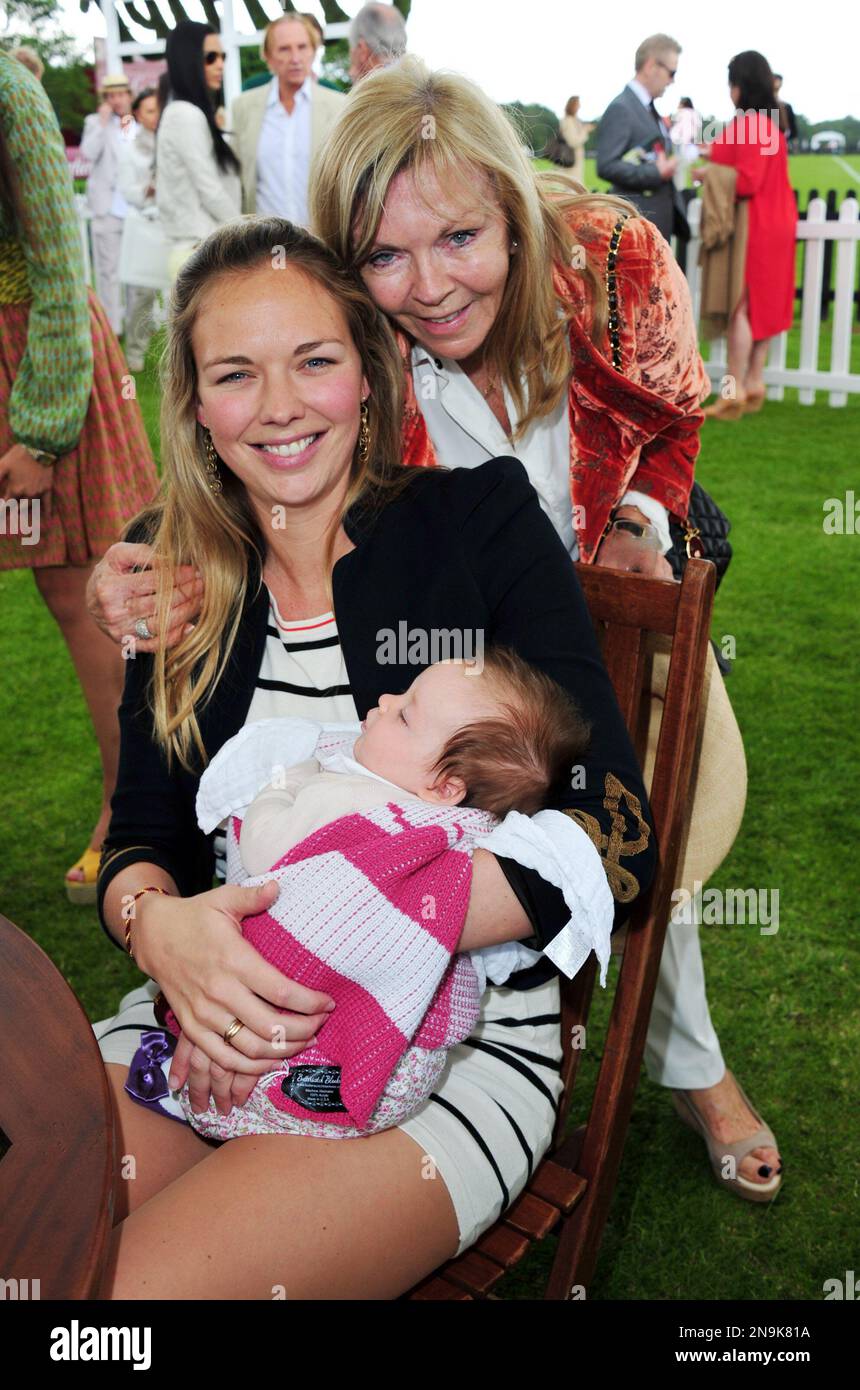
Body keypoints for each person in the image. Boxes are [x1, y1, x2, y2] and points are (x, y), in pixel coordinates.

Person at [88, 57, 783, 1200]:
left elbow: (610, 830)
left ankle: (695, 1070)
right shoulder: (331, 427)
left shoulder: (607, 268)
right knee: (54, 1206)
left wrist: (640, 520)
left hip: (579, 577)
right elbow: (285, 448)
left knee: (641, 828)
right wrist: (163, 927)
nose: (427, 285)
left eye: (457, 238)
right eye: (384, 257)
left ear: (507, 215)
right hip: (224, 998)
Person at [89, 215, 652, 1298]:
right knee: (28, 1221)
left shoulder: (478, 525)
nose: (281, 406)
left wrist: (347, 920)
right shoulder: (175, 570)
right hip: (200, 1011)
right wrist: (158, 928)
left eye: (314, 361)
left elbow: (615, 833)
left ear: (371, 370)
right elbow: (143, 835)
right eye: (236, 374)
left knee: (133, 1299)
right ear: (196, 405)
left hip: (441, 1051)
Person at [130, 649, 595, 1141]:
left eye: (405, 714)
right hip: (401, 1065)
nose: (386, 700)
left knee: (227, 1076)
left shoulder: (349, 797)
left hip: (298, 1048)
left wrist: (283, 786)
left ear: (444, 787)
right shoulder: (468, 833)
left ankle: (217, 1112)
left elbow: (266, 855)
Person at [0, 52, 157, 903]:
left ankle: (127, 814)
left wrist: (43, 431)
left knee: (83, 593)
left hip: (35, 360)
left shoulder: (8, 89)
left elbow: (61, 269)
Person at [697, 52, 796, 420]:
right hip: (778, 220)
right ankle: (754, 382)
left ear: (739, 86)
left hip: (754, 225)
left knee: (738, 306)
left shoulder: (748, 124)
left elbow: (747, 181)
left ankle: (731, 390)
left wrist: (707, 173)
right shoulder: (772, 124)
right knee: (763, 307)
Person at [230, 14, 345, 222]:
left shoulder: (339, 106)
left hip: (320, 235)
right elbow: (236, 179)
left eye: (302, 47)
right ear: (267, 56)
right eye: (284, 49)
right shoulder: (244, 107)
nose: (295, 58)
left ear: (313, 50)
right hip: (262, 236)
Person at [155, 21, 241, 280]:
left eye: (223, 56)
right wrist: (247, 229)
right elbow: (209, 189)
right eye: (210, 57)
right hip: (197, 253)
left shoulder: (187, 112)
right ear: (187, 60)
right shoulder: (185, 115)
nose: (220, 64)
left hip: (202, 250)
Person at [596, 33, 689, 245]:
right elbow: (606, 165)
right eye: (671, 72)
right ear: (650, 66)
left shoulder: (648, 108)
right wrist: (656, 172)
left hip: (653, 225)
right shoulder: (622, 108)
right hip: (636, 230)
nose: (672, 80)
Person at [80, 72, 136, 334]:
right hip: (107, 208)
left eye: (120, 94)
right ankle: (111, 328)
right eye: (111, 96)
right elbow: (88, 153)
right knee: (108, 272)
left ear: (129, 96)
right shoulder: (95, 122)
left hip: (135, 209)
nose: (116, 100)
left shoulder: (138, 122)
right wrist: (102, 124)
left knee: (134, 272)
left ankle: (136, 324)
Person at [118, 87, 161, 372]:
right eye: (150, 110)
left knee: (178, 292)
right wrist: (148, 189)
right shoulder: (130, 149)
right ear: (137, 114)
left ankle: (177, 358)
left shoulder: (173, 141)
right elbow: (127, 191)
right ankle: (134, 350)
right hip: (145, 225)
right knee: (143, 294)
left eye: (159, 109)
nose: (156, 115)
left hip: (173, 224)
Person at [348, 2, 408, 84]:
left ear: (362, 50)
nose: (350, 72)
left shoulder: (373, 89)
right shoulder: (419, 83)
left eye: (352, 60)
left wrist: (357, 80)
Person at [558, 96, 592, 185]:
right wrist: (585, 131)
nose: (580, 106)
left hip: (574, 161)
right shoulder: (568, 121)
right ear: (572, 105)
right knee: (571, 187)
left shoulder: (574, 120)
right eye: (578, 104)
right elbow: (573, 142)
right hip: (570, 161)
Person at [773, 74, 798, 150]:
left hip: (781, 137)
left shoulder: (786, 106)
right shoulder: (763, 104)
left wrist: (794, 140)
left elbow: (792, 125)